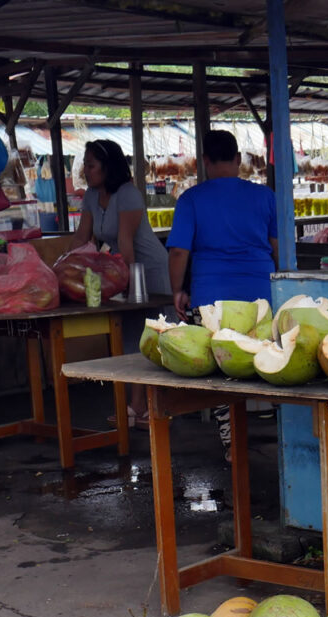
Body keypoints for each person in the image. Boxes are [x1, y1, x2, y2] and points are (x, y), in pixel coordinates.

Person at [167, 130, 278, 458]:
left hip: (211, 301)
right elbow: (279, 248)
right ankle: (289, 436)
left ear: (205, 162)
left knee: (219, 370)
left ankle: (233, 443)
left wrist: (177, 291)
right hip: (261, 298)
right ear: (238, 159)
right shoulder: (266, 197)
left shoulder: (191, 199)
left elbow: (177, 254)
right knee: (270, 363)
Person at [71, 139, 170, 427]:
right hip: (122, 267)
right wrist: (63, 264)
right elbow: (82, 237)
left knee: (153, 336)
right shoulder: (91, 195)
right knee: (131, 339)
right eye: (85, 165)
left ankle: (152, 407)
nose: (86, 171)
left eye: (91, 165)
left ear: (107, 166)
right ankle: (139, 407)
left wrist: (122, 282)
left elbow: (126, 243)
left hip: (148, 268)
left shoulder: (128, 194)